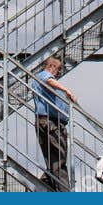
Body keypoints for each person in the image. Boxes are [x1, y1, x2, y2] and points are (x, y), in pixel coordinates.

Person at [31, 53, 76, 190]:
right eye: (58, 69)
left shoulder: (46, 79)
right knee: (58, 161)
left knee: (54, 161)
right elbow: (48, 80)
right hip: (51, 123)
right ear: (51, 66)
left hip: (52, 123)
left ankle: (43, 187)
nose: (59, 73)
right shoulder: (43, 75)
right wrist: (67, 90)